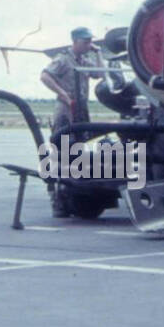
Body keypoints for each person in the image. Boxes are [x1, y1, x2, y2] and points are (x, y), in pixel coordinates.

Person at [39, 27, 96, 217]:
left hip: (80, 109)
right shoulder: (63, 59)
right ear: (75, 41)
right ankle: (57, 200)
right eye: (86, 42)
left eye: (90, 42)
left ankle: (74, 196)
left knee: (77, 153)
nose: (89, 45)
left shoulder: (84, 61)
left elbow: (100, 74)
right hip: (65, 109)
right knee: (60, 154)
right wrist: (62, 93)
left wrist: (98, 53)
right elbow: (45, 76)